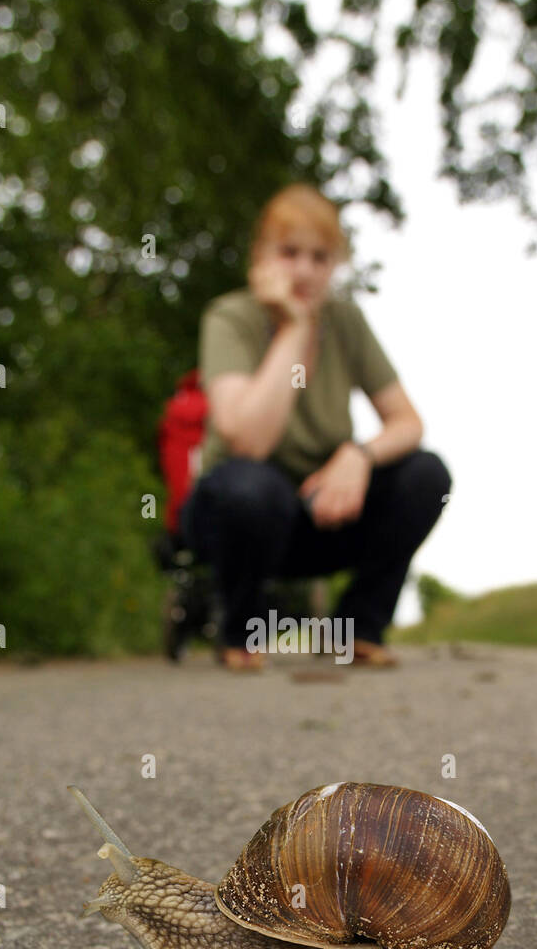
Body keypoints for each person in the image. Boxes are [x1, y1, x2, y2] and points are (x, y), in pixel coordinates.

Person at [181, 184, 451, 670]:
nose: (304, 269)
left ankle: (354, 629)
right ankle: (241, 631)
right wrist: (295, 327)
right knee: (250, 490)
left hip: (323, 510)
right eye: (288, 253)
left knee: (426, 473)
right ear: (259, 256)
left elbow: (408, 422)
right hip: (242, 516)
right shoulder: (230, 317)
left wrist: (358, 456)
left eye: (320, 257)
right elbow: (248, 441)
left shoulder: (346, 321)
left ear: (335, 265)